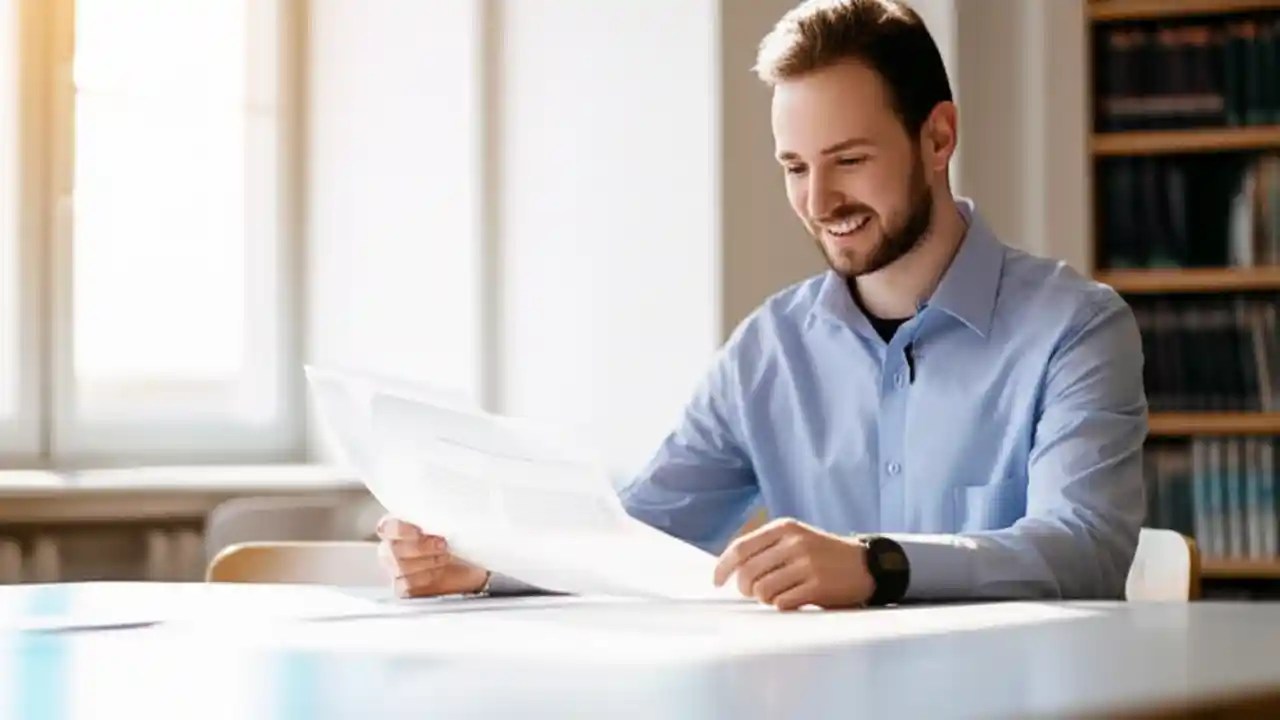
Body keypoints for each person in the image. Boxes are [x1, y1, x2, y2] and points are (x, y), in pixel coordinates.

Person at [376, 0, 1146, 610]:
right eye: (794, 167)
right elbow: (636, 536)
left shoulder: (1074, 328)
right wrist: (481, 565)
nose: (819, 201)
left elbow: (1083, 547)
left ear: (938, 138)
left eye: (849, 160)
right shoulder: (768, 350)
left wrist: (877, 565)